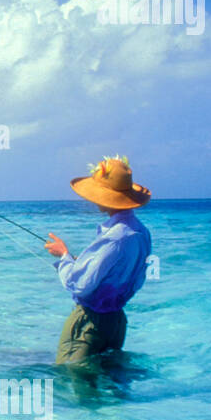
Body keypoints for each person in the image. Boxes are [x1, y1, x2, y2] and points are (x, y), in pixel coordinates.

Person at [43, 155, 152, 365]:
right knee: (109, 382)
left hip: (89, 324)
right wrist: (80, 262)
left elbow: (79, 285)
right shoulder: (141, 232)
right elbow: (131, 276)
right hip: (117, 323)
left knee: (72, 378)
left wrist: (64, 256)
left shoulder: (114, 237)